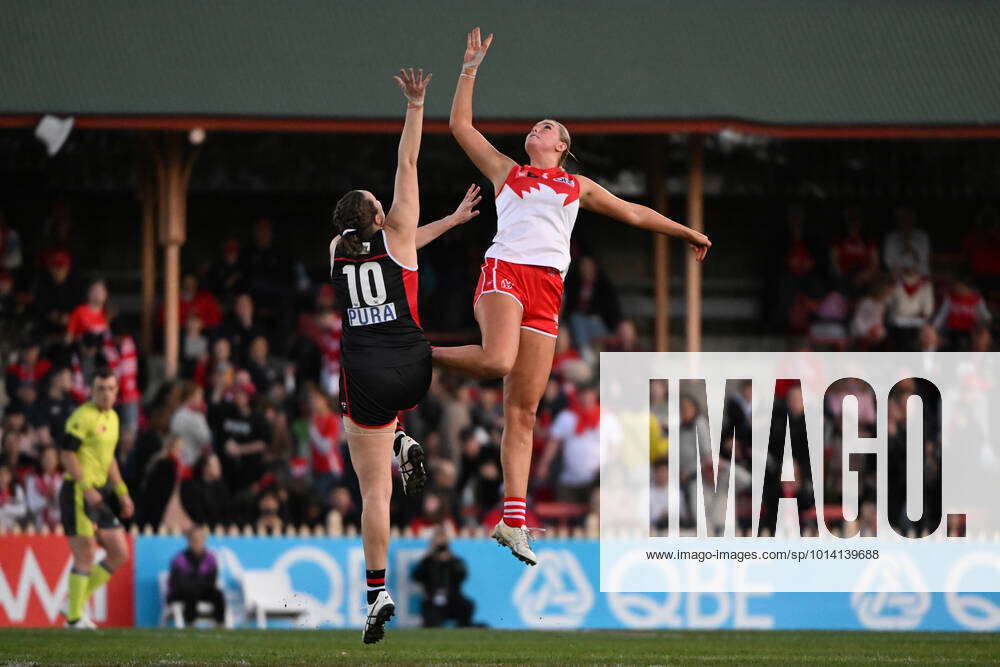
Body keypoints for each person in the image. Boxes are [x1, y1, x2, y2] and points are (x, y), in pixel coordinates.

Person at [432, 27, 711, 566]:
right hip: (506, 272)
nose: (537, 127)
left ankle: (513, 521)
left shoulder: (574, 186)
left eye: (549, 127)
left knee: (525, 410)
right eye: (536, 125)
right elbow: (460, 125)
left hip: (547, 291)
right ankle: (416, 352)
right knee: (496, 360)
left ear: (562, 148)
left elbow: (634, 212)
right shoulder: (506, 172)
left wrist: (685, 231)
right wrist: (469, 69)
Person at [327, 67, 480, 645]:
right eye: (376, 200)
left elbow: (384, 233)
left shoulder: (337, 255)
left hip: (363, 375)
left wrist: (441, 223)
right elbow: (408, 166)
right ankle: (402, 436)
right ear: (379, 215)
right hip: (416, 367)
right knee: (408, 393)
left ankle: (376, 592)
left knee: (375, 493)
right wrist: (416, 107)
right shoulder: (399, 236)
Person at [58, 369, 134, 628]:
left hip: (99, 493)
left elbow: (108, 457)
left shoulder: (113, 418)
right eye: (101, 388)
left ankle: (73, 603)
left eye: (111, 388)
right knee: (85, 553)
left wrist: (122, 491)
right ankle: (74, 618)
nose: (106, 393)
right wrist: (85, 485)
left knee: (119, 552)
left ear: (117, 392)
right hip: (78, 491)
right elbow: (67, 454)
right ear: (92, 390)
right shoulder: (82, 417)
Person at [411, 526, 475, 628]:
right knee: (430, 617)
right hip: (433, 598)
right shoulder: (428, 561)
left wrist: (450, 561)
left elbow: (462, 576)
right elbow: (416, 576)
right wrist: (432, 560)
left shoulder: (454, 561)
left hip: (453, 598)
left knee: (467, 606)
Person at [166, 525, 226, 627]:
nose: (198, 542)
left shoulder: (210, 559)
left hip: (202, 591)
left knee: (218, 594)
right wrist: (198, 584)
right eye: (195, 540)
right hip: (179, 593)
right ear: (189, 541)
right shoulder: (179, 560)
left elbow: (212, 581)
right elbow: (180, 583)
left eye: (201, 539)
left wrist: (200, 585)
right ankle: (190, 624)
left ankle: (220, 623)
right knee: (190, 592)